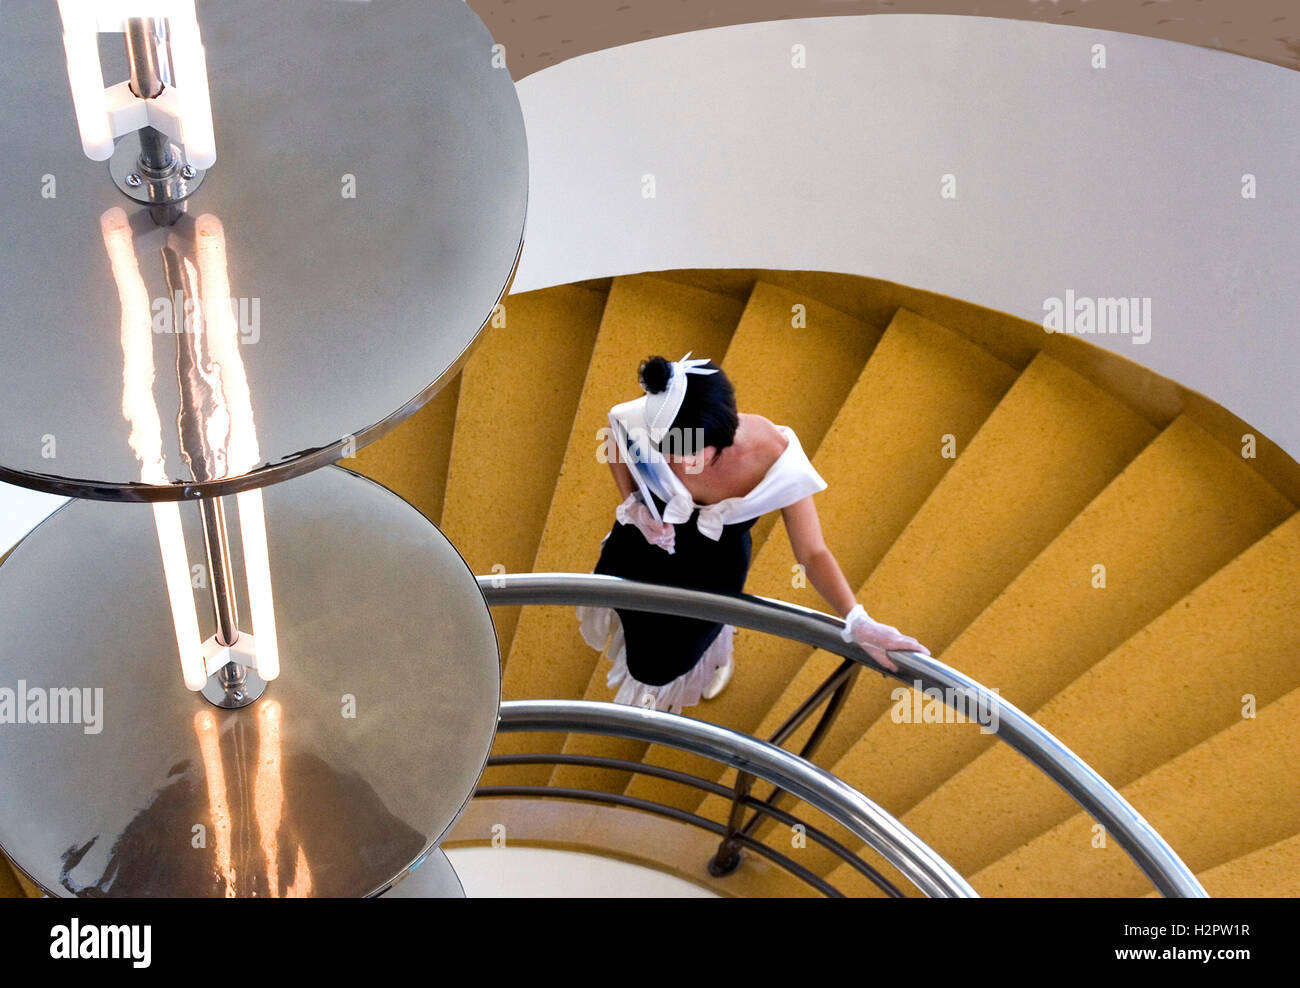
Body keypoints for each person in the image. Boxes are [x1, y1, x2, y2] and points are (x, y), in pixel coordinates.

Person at [576, 353, 929, 714]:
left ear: (723, 436)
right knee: (636, 617)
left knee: (671, 654)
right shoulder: (664, 417)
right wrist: (633, 505)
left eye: (689, 455)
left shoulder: (776, 457)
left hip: (712, 569)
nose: (676, 466)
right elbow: (618, 436)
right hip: (644, 545)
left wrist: (858, 621)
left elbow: (812, 553)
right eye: (668, 454)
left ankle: (713, 655)